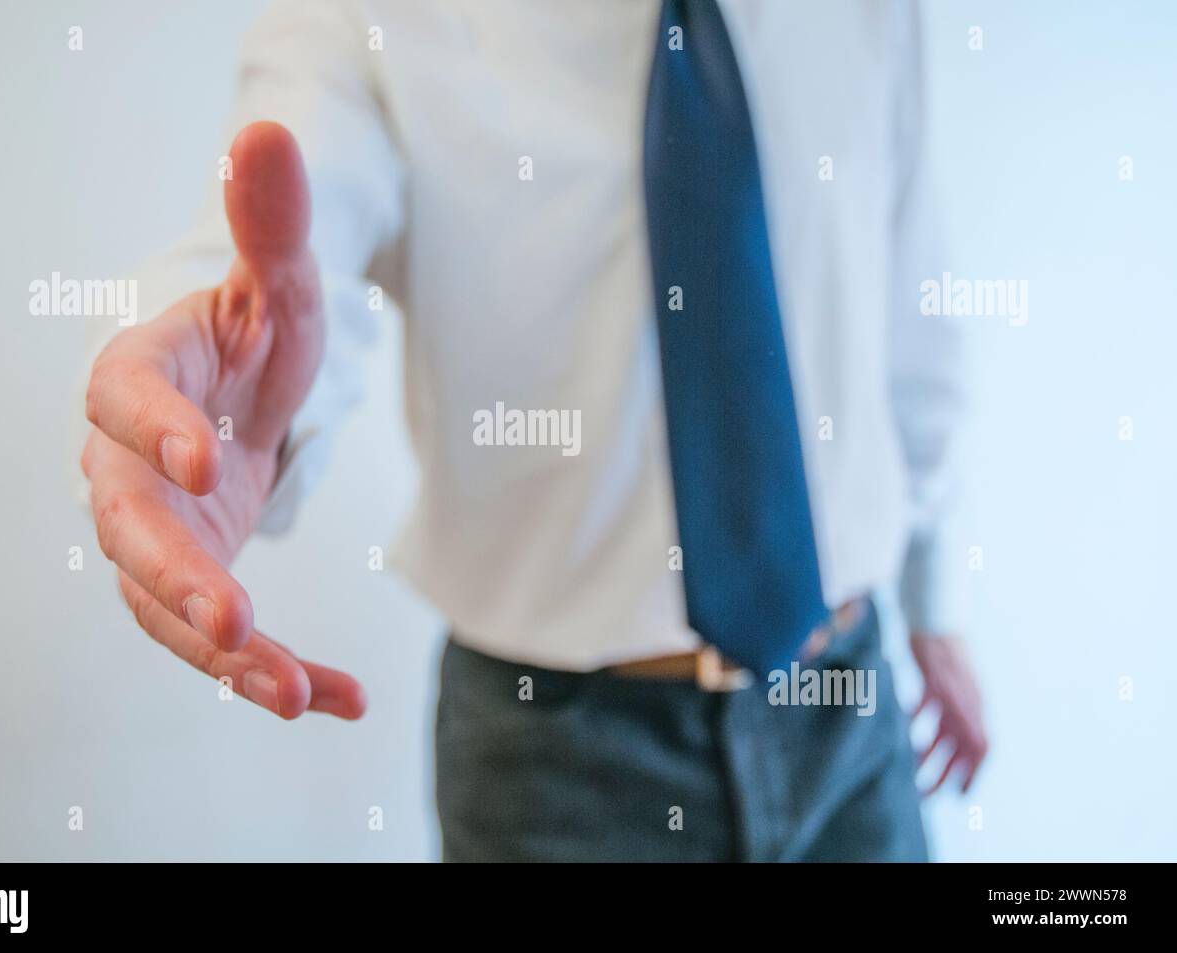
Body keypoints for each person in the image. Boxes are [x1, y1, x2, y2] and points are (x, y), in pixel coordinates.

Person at [78, 0, 988, 861]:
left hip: (849, 705)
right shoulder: (372, 20)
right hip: (553, 757)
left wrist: (933, 595)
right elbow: (273, 243)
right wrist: (212, 395)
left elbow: (909, 312)